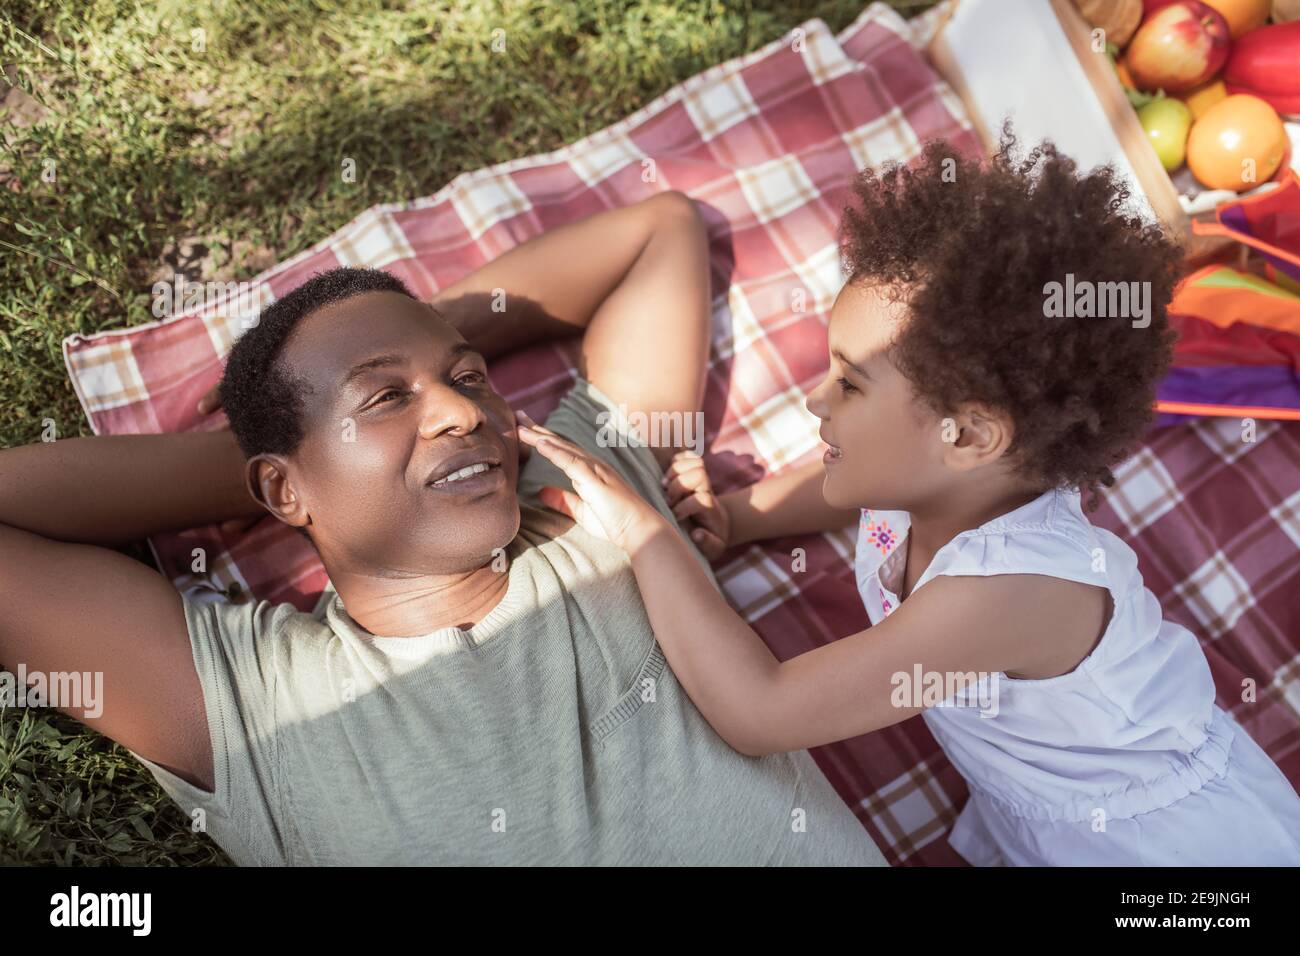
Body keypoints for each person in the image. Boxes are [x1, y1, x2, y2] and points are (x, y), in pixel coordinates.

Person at [0, 191, 885, 866]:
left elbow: (660, 233)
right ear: (281, 487)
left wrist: (427, 343)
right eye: (385, 398)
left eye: (470, 379)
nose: (463, 411)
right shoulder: (254, 706)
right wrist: (266, 455)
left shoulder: (588, 501)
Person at [515, 138, 1300, 866]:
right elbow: (847, 491)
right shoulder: (948, 481)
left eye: (850, 383)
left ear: (968, 438)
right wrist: (743, 514)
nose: (818, 402)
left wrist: (645, 534)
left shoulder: (1003, 595)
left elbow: (762, 713)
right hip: (1051, 810)